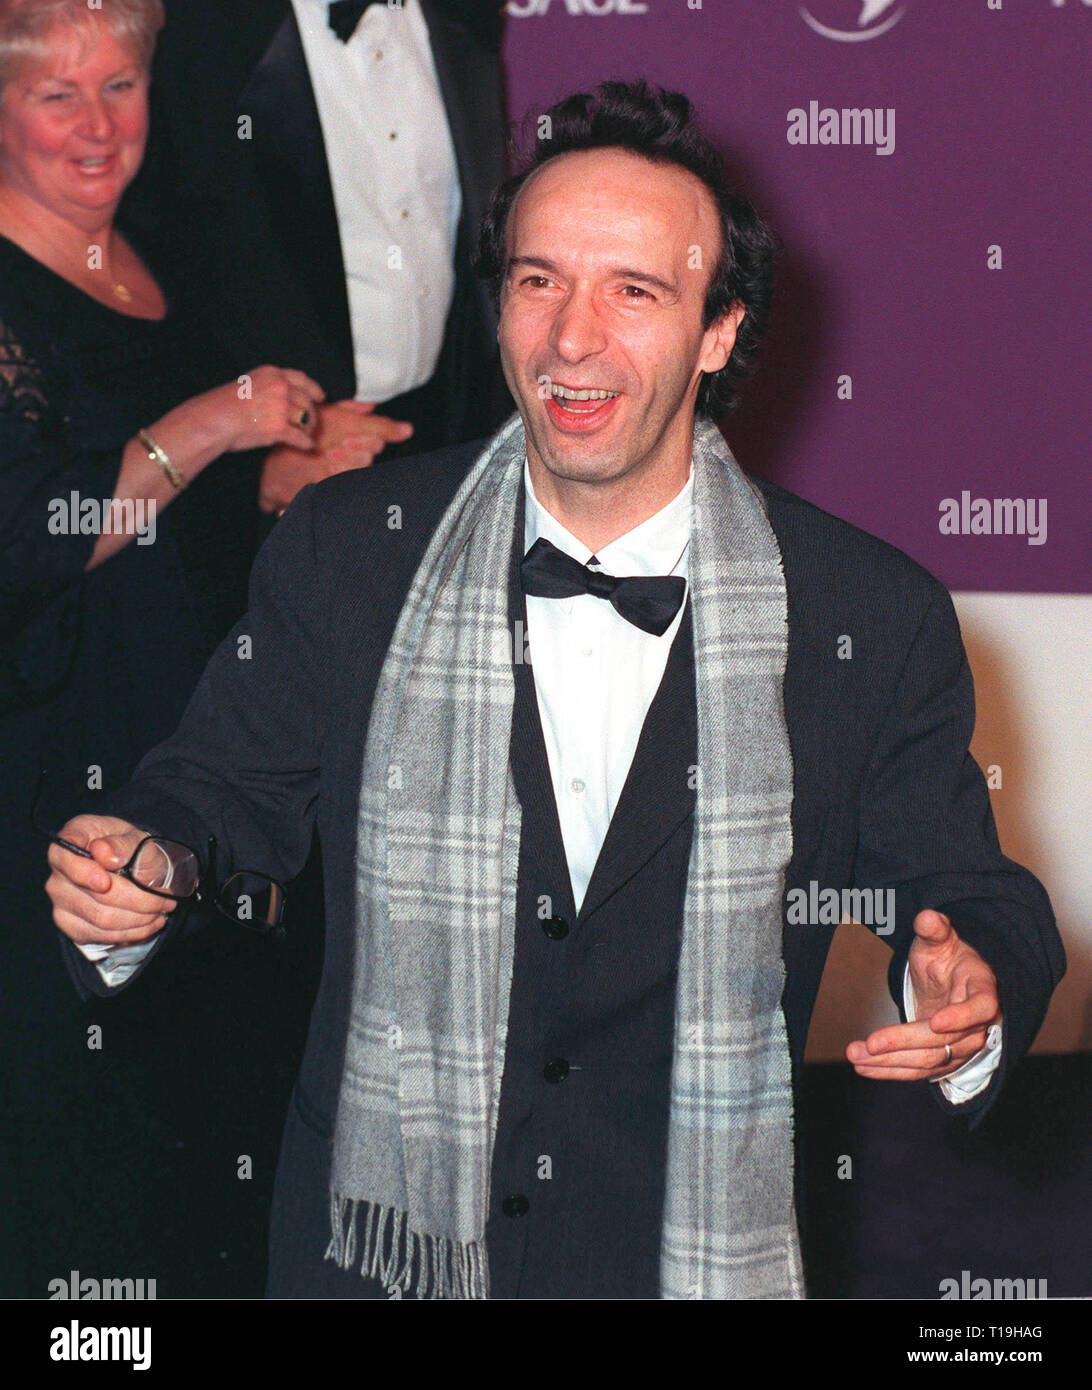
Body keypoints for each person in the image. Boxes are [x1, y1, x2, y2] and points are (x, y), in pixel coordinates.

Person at [46, 82, 1064, 1300]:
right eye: (538, 282)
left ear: (720, 328)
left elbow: (968, 893)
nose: (571, 339)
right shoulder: (350, 547)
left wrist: (971, 990)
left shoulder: (866, 615)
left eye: (634, 291)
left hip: (673, 1262)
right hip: (373, 1258)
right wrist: (143, 868)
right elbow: (211, 797)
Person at [0, 0, 323, 1295]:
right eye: (56, 93)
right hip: (57, 763)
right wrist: (221, 415)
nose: (98, 126)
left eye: (120, 87)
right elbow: (33, 533)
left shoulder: (150, 253)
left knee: (214, 1131)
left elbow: (169, 527)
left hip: (196, 750)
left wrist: (286, 470)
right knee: (83, 1150)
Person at [121, 0, 511, 517]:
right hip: (255, 492)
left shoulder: (465, 11)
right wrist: (250, 467)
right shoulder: (184, 23)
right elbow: (136, 263)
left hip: (445, 457)